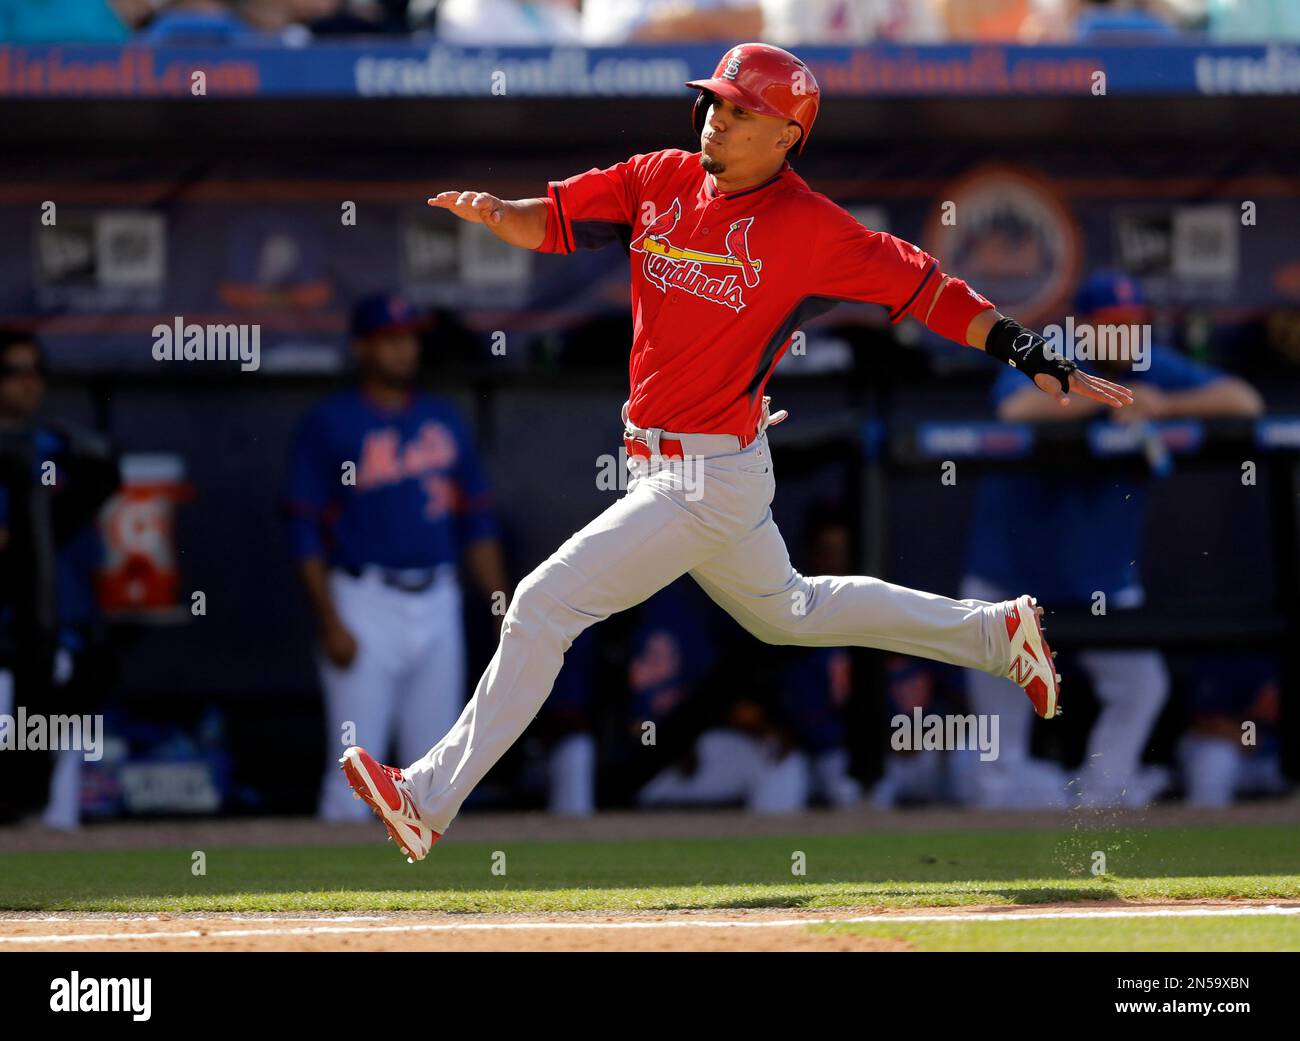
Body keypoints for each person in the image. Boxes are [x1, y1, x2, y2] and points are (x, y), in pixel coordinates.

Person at [340, 42, 1132, 862]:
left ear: (787, 134)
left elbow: (926, 287)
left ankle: (426, 796)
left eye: (741, 110)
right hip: (676, 461)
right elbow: (559, 218)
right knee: (791, 612)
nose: (718, 119)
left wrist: (1024, 349)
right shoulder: (660, 178)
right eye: (715, 103)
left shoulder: (809, 227)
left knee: (542, 604)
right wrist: (505, 215)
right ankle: (996, 636)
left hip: (705, 475)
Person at [961, 271, 1264, 809]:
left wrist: (1166, 407)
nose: (1124, 338)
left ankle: (1097, 807)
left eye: (1133, 325)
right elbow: (1015, 409)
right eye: (1110, 327)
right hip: (1009, 576)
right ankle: (995, 848)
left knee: (1141, 688)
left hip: (1100, 579)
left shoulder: (1150, 367)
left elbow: (1245, 400)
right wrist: (1106, 397)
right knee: (996, 765)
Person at [283, 294, 509, 821]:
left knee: (435, 775)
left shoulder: (442, 418)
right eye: (390, 340)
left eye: (409, 338)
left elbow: (476, 521)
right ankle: (327, 902)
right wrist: (329, 620)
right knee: (353, 773)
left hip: (438, 596)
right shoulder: (332, 422)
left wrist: (501, 609)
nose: (404, 350)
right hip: (363, 597)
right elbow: (303, 529)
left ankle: (425, 900)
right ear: (363, 347)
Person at [0, 329, 119, 827]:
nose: (29, 383)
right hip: (4, 641)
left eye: (36, 372)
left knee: (54, 803)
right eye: (14, 371)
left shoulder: (61, 450)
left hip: (56, 635)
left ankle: (61, 906)